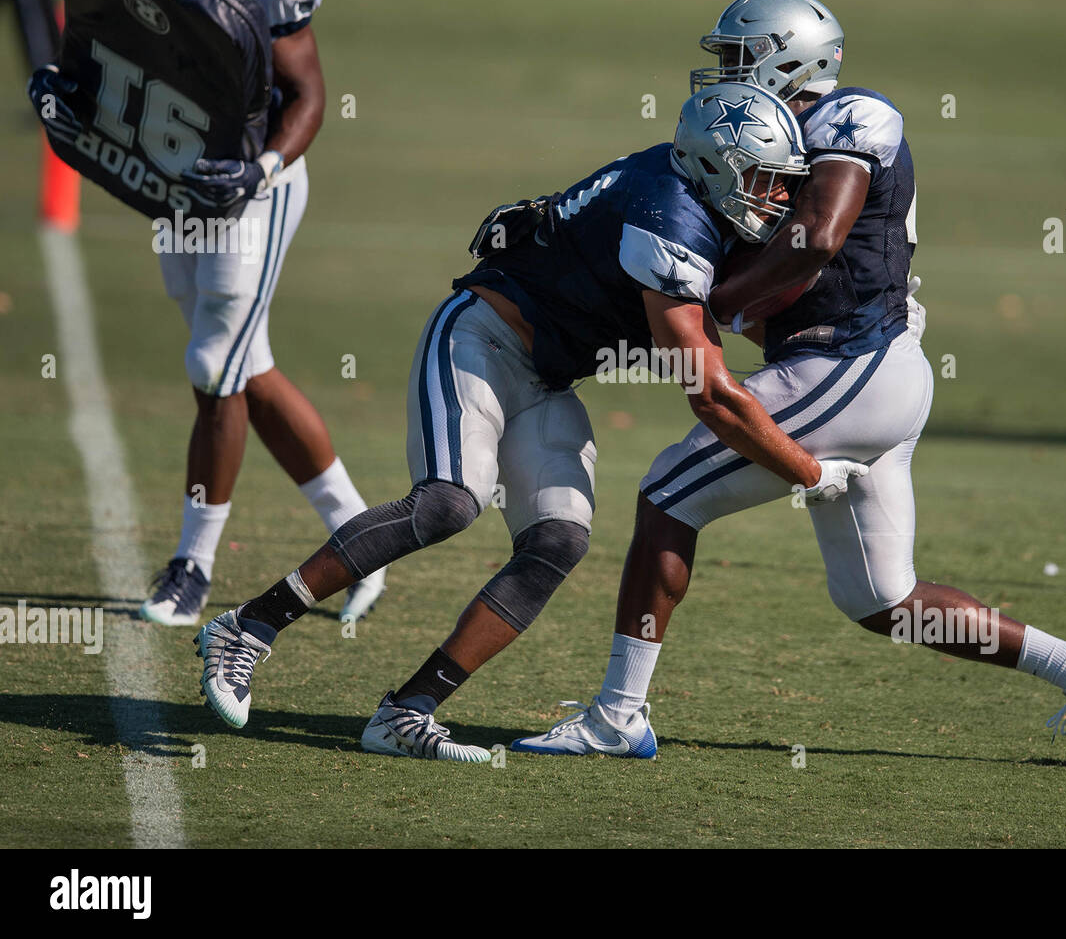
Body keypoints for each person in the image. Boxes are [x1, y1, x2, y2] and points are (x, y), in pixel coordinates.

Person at [513, 0, 1066, 769]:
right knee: (882, 599)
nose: (727, 74)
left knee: (667, 495)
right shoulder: (768, 130)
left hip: (850, 363)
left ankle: (617, 716)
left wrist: (718, 303)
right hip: (857, 368)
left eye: (740, 58)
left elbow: (815, 238)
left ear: (791, 57)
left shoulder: (854, 116)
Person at [194, 83, 872, 762]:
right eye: (765, 179)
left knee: (557, 540)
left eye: (785, 184)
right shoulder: (669, 213)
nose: (779, 198)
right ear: (717, 166)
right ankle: (248, 626)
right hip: (480, 340)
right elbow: (709, 393)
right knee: (447, 503)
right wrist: (807, 471)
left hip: (545, 374)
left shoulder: (686, 188)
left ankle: (406, 711)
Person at [27, 0, 387, 624]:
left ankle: (191, 569)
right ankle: (361, 536)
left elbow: (309, 94)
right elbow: (98, 39)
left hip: (252, 188)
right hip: (176, 180)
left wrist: (260, 172)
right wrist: (63, 88)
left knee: (214, 364)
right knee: (242, 368)